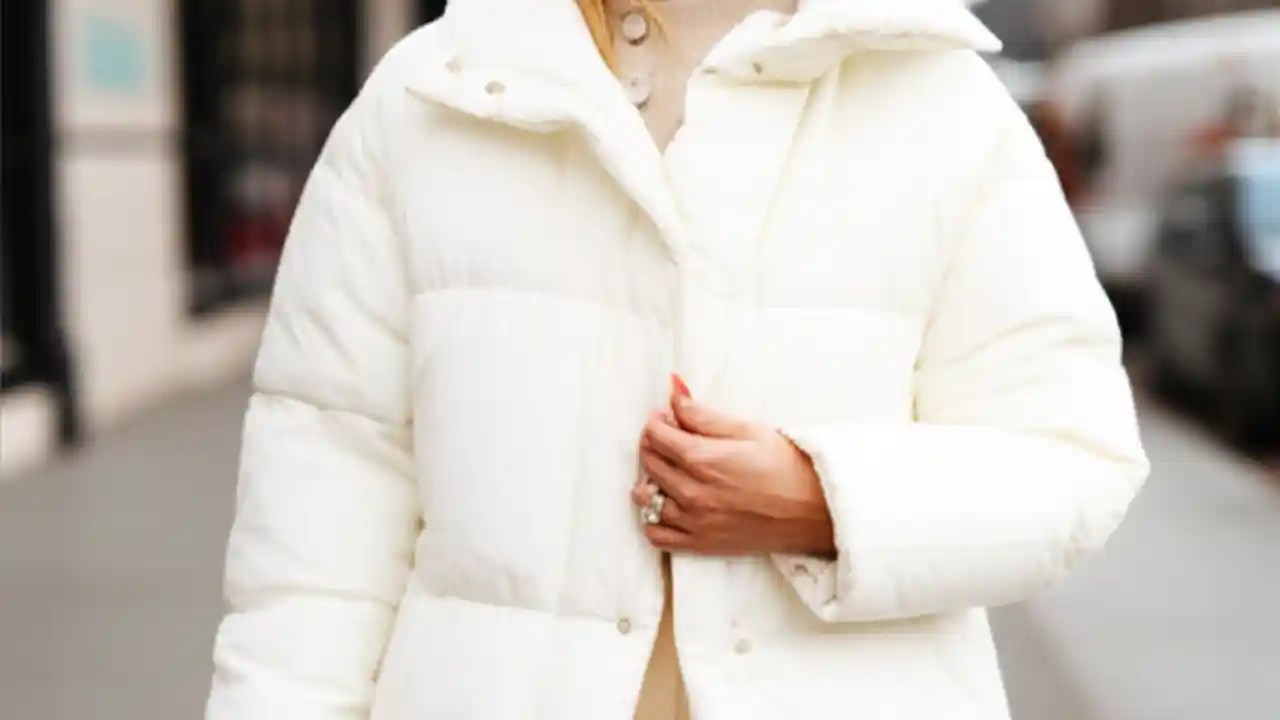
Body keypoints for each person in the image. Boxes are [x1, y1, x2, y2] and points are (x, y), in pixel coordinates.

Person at [205, 0, 1151, 718]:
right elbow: (313, 553)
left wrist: (822, 499)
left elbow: (1072, 457)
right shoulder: (429, 93)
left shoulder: (940, 104)